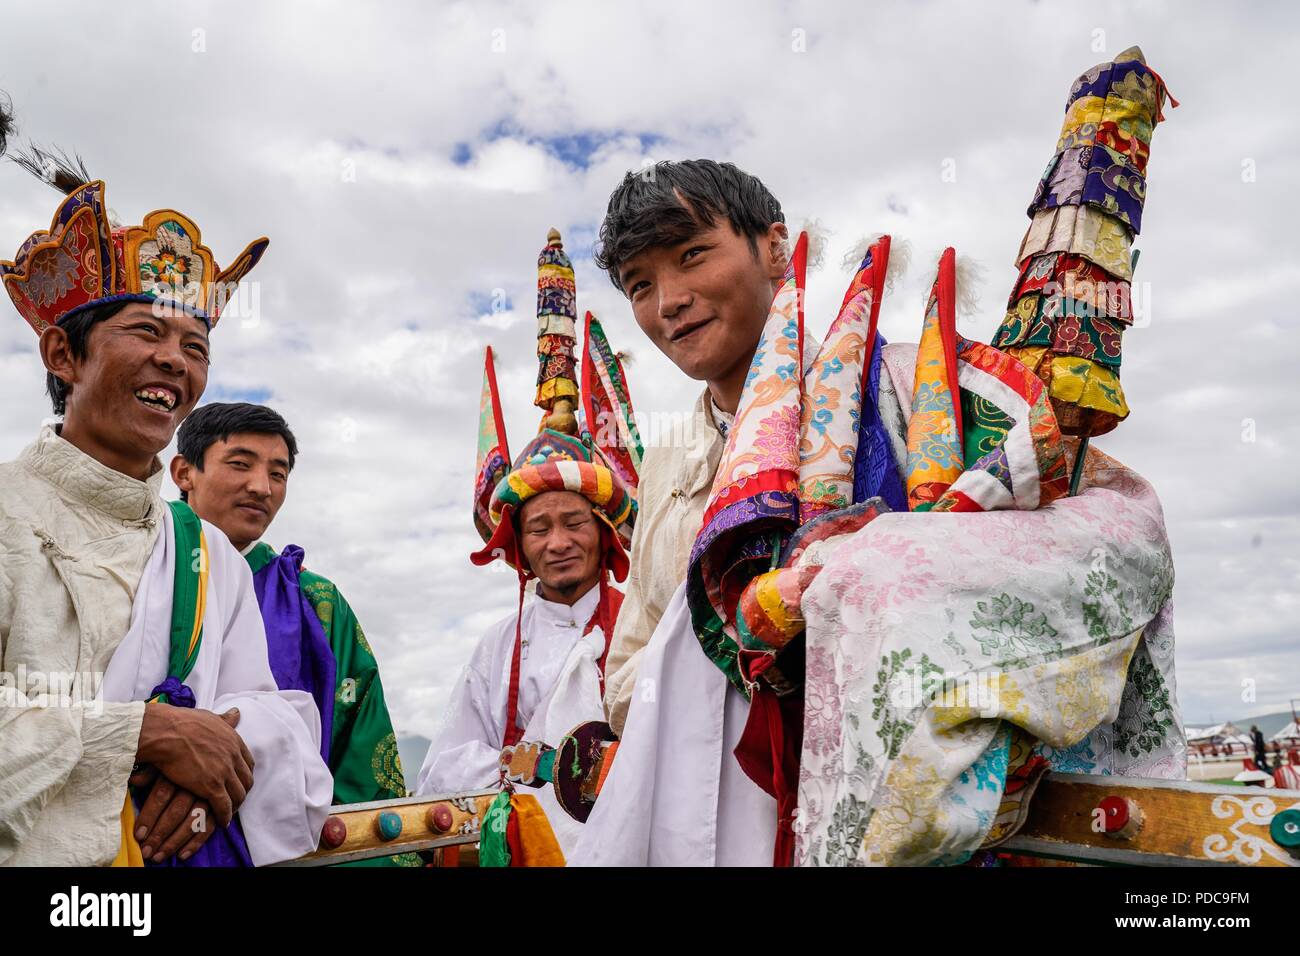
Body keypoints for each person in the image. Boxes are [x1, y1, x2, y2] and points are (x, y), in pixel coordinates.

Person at [571, 156, 1182, 867]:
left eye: (691, 255)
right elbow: (636, 651)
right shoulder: (671, 461)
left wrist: (861, 585)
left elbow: (1097, 528)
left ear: (774, 246)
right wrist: (718, 666)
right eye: (640, 286)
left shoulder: (910, 388)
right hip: (697, 816)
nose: (669, 300)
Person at [0, 156, 331, 866]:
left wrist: (215, 754)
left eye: (195, 347)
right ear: (64, 352)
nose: (175, 361)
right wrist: (141, 738)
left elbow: (272, 711)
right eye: (146, 333)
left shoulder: (207, 554)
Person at [415, 230, 639, 858]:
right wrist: (530, 765)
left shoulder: (644, 623)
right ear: (518, 545)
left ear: (604, 532)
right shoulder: (497, 647)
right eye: (539, 528)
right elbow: (443, 770)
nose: (559, 542)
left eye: (575, 523)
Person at [172, 402, 416, 865]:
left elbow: (361, 754)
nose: (261, 487)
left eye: (278, 474)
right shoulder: (141, 567)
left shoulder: (317, 603)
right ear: (184, 472)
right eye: (240, 464)